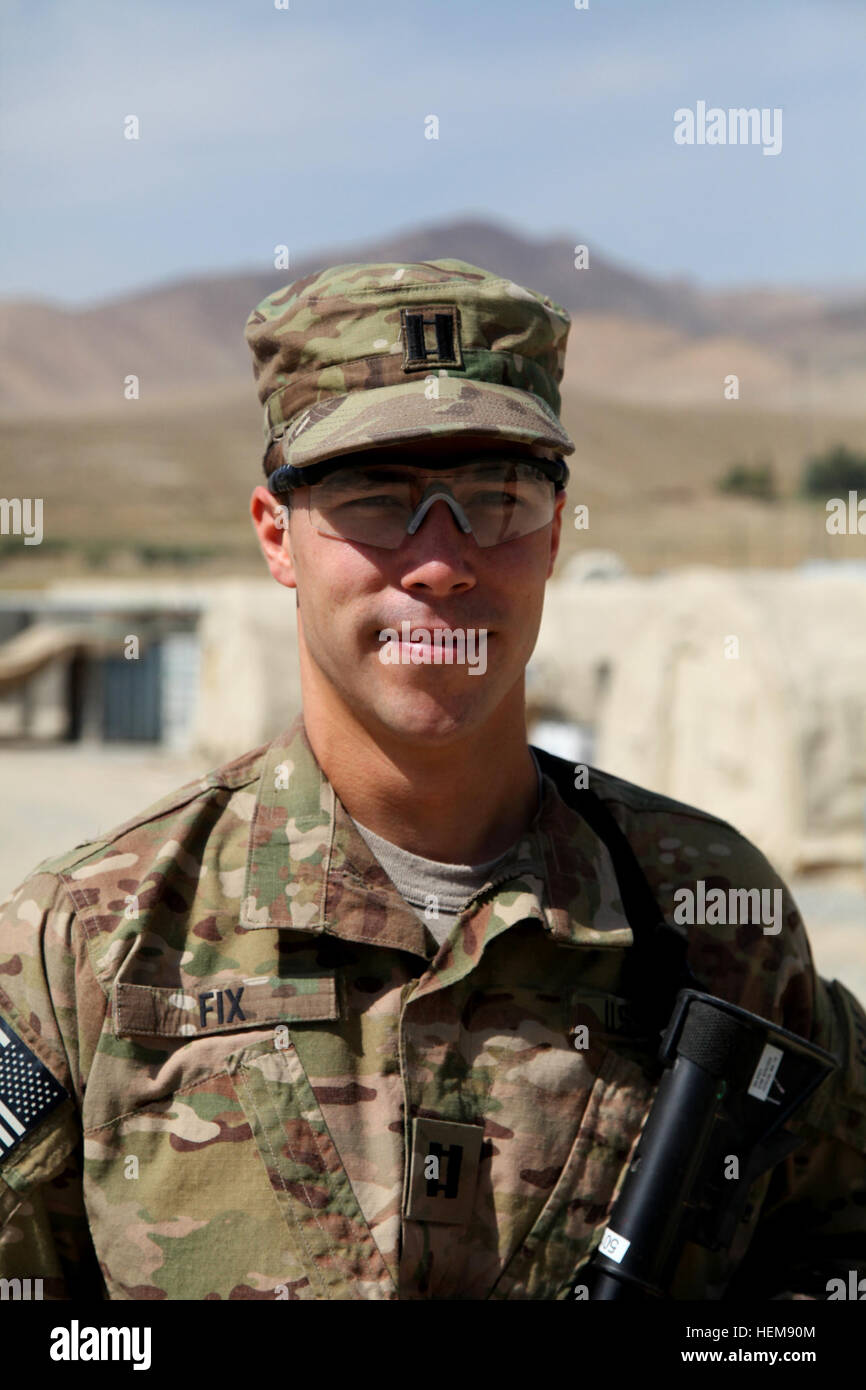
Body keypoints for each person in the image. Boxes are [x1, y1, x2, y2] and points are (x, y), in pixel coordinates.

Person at [0, 259, 863, 1302]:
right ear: (278, 538)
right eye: (374, 498)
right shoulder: (83, 944)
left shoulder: (712, 917)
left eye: (495, 499)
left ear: (550, 534)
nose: (441, 562)